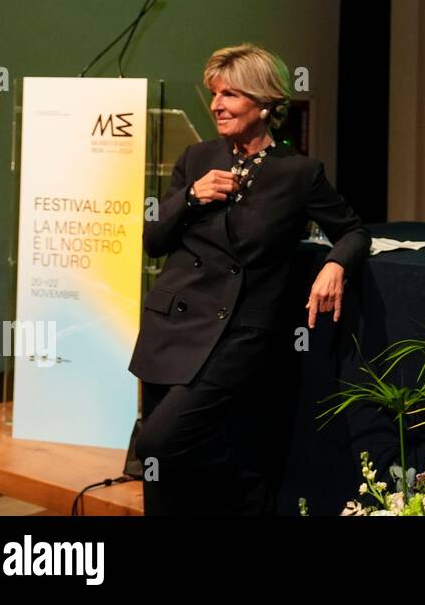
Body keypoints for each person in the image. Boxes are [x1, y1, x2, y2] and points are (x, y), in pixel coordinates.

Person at [129, 43, 369, 515]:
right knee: (162, 470)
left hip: (238, 333)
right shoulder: (196, 158)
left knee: (160, 442)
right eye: (214, 94)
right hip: (172, 327)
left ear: (264, 102)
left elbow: (354, 230)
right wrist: (191, 198)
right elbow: (153, 237)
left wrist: (336, 264)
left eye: (230, 95)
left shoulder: (298, 173)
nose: (217, 104)